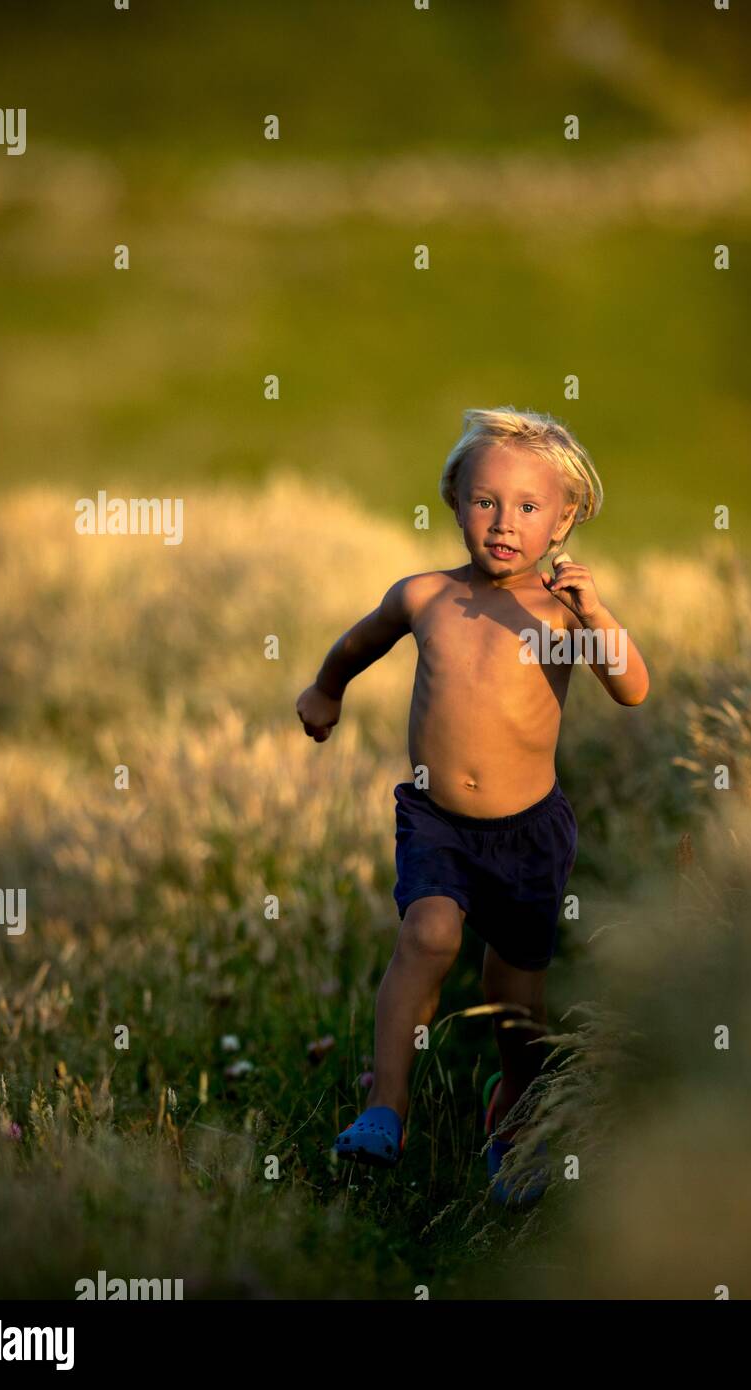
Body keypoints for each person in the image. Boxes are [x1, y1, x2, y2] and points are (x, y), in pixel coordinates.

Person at [296, 406, 649, 1205]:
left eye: (529, 508)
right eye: (485, 501)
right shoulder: (425, 596)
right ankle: (386, 1106)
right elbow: (358, 642)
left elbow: (632, 688)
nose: (503, 523)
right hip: (436, 818)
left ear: (565, 520)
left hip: (529, 833)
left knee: (515, 999)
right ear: (455, 501)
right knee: (428, 933)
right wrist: (325, 690)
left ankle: (515, 1117)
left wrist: (596, 613)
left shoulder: (560, 615)